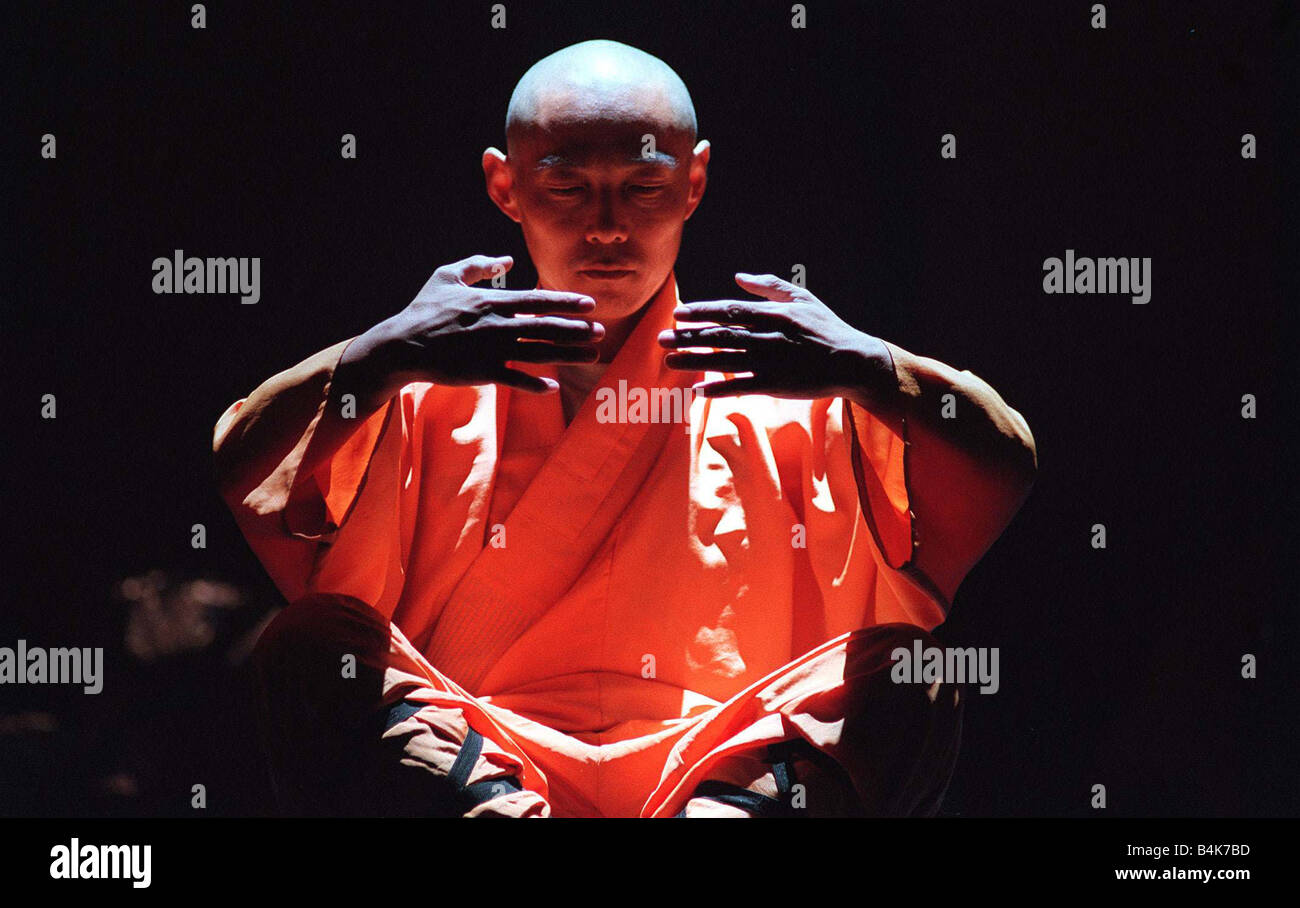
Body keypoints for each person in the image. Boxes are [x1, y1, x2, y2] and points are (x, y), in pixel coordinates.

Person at [213, 39, 1036, 818]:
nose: (606, 226)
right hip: (479, 774)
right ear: (505, 187)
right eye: (568, 188)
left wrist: (870, 365)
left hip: (718, 776)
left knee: (914, 668)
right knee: (313, 647)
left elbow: (1002, 469)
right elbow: (248, 470)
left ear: (694, 182)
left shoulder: (794, 389)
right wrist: (374, 355)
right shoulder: (420, 387)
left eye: (643, 188)